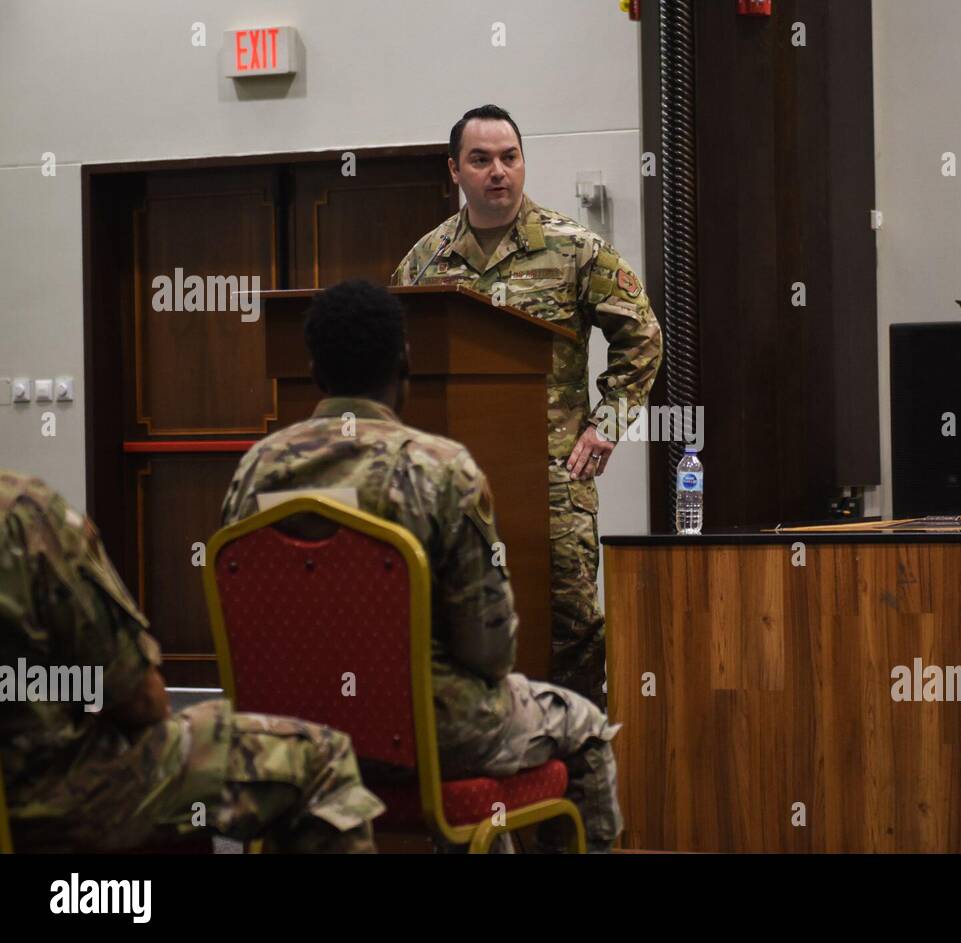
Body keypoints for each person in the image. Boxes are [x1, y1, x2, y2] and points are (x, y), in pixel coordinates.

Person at [219, 279, 623, 851]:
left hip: (291, 734)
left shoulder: (254, 471)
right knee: (582, 728)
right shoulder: (439, 469)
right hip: (427, 730)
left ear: (314, 369)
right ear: (404, 361)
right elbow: (488, 650)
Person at [391, 103, 662, 711]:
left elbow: (641, 333)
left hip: (552, 479)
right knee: (449, 619)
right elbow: (397, 355)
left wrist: (607, 424)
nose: (498, 172)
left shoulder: (574, 248)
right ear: (454, 171)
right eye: (481, 159)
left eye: (509, 158)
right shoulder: (425, 260)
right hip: (452, 485)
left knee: (569, 626)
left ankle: (577, 764)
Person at [0, 470, 383, 852]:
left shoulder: (258, 468)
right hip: (51, 806)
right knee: (318, 759)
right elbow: (142, 701)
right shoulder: (23, 514)